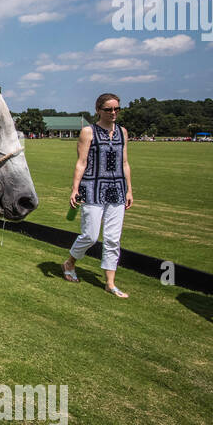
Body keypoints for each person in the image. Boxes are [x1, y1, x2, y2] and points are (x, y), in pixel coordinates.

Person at [62, 93, 134, 297]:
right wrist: (75, 188)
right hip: (92, 189)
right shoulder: (88, 132)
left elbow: (125, 162)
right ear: (98, 110)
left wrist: (129, 189)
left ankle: (110, 283)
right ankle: (69, 262)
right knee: (91, 236)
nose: (113, 113)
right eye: (109, 109)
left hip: (117, 190)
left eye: (117, 109)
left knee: (113, 239)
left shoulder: (123, 132)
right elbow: (81, 162)